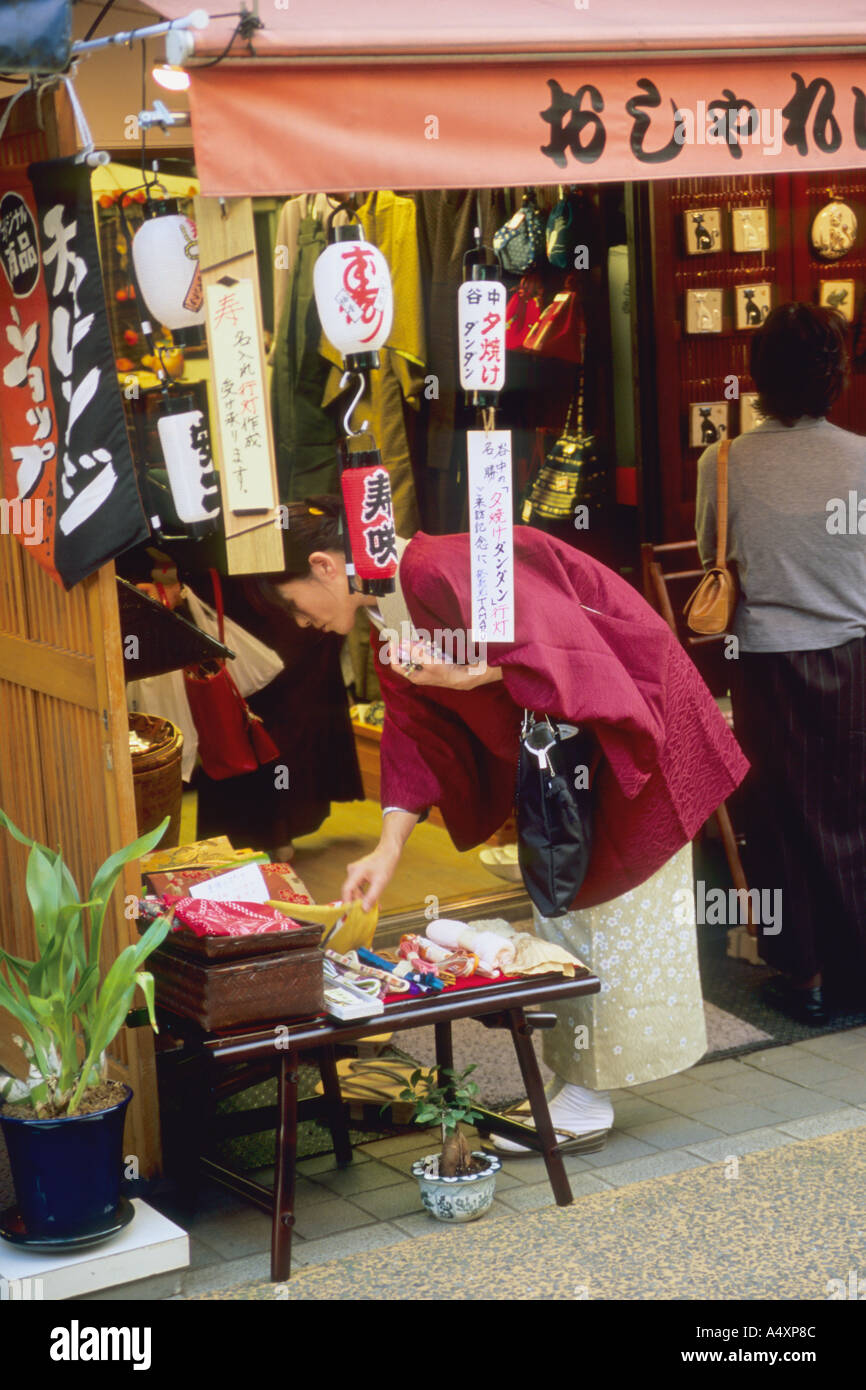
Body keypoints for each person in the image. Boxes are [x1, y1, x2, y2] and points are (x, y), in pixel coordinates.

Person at [258, 497, 748, 1153]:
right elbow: (414, 741)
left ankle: (587, 1096)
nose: (305, 622)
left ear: (323, 566)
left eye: (295, 605)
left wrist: (471, 675)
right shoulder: (386, 616)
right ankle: (577, 1084)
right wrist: (386, 850)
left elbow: (567, 643)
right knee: (574, 895)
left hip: (626, 715)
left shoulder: (431, 568)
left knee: (611, 902)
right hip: (571, 746)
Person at [696, 302, 866, 1024]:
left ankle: (809, 977)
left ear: (758, 378)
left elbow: (713, 558)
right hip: (858, 657)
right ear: (836, 376)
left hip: (767, 664)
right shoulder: (862, 457)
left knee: (784, 820)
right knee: (855, 813)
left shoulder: (724, 460)